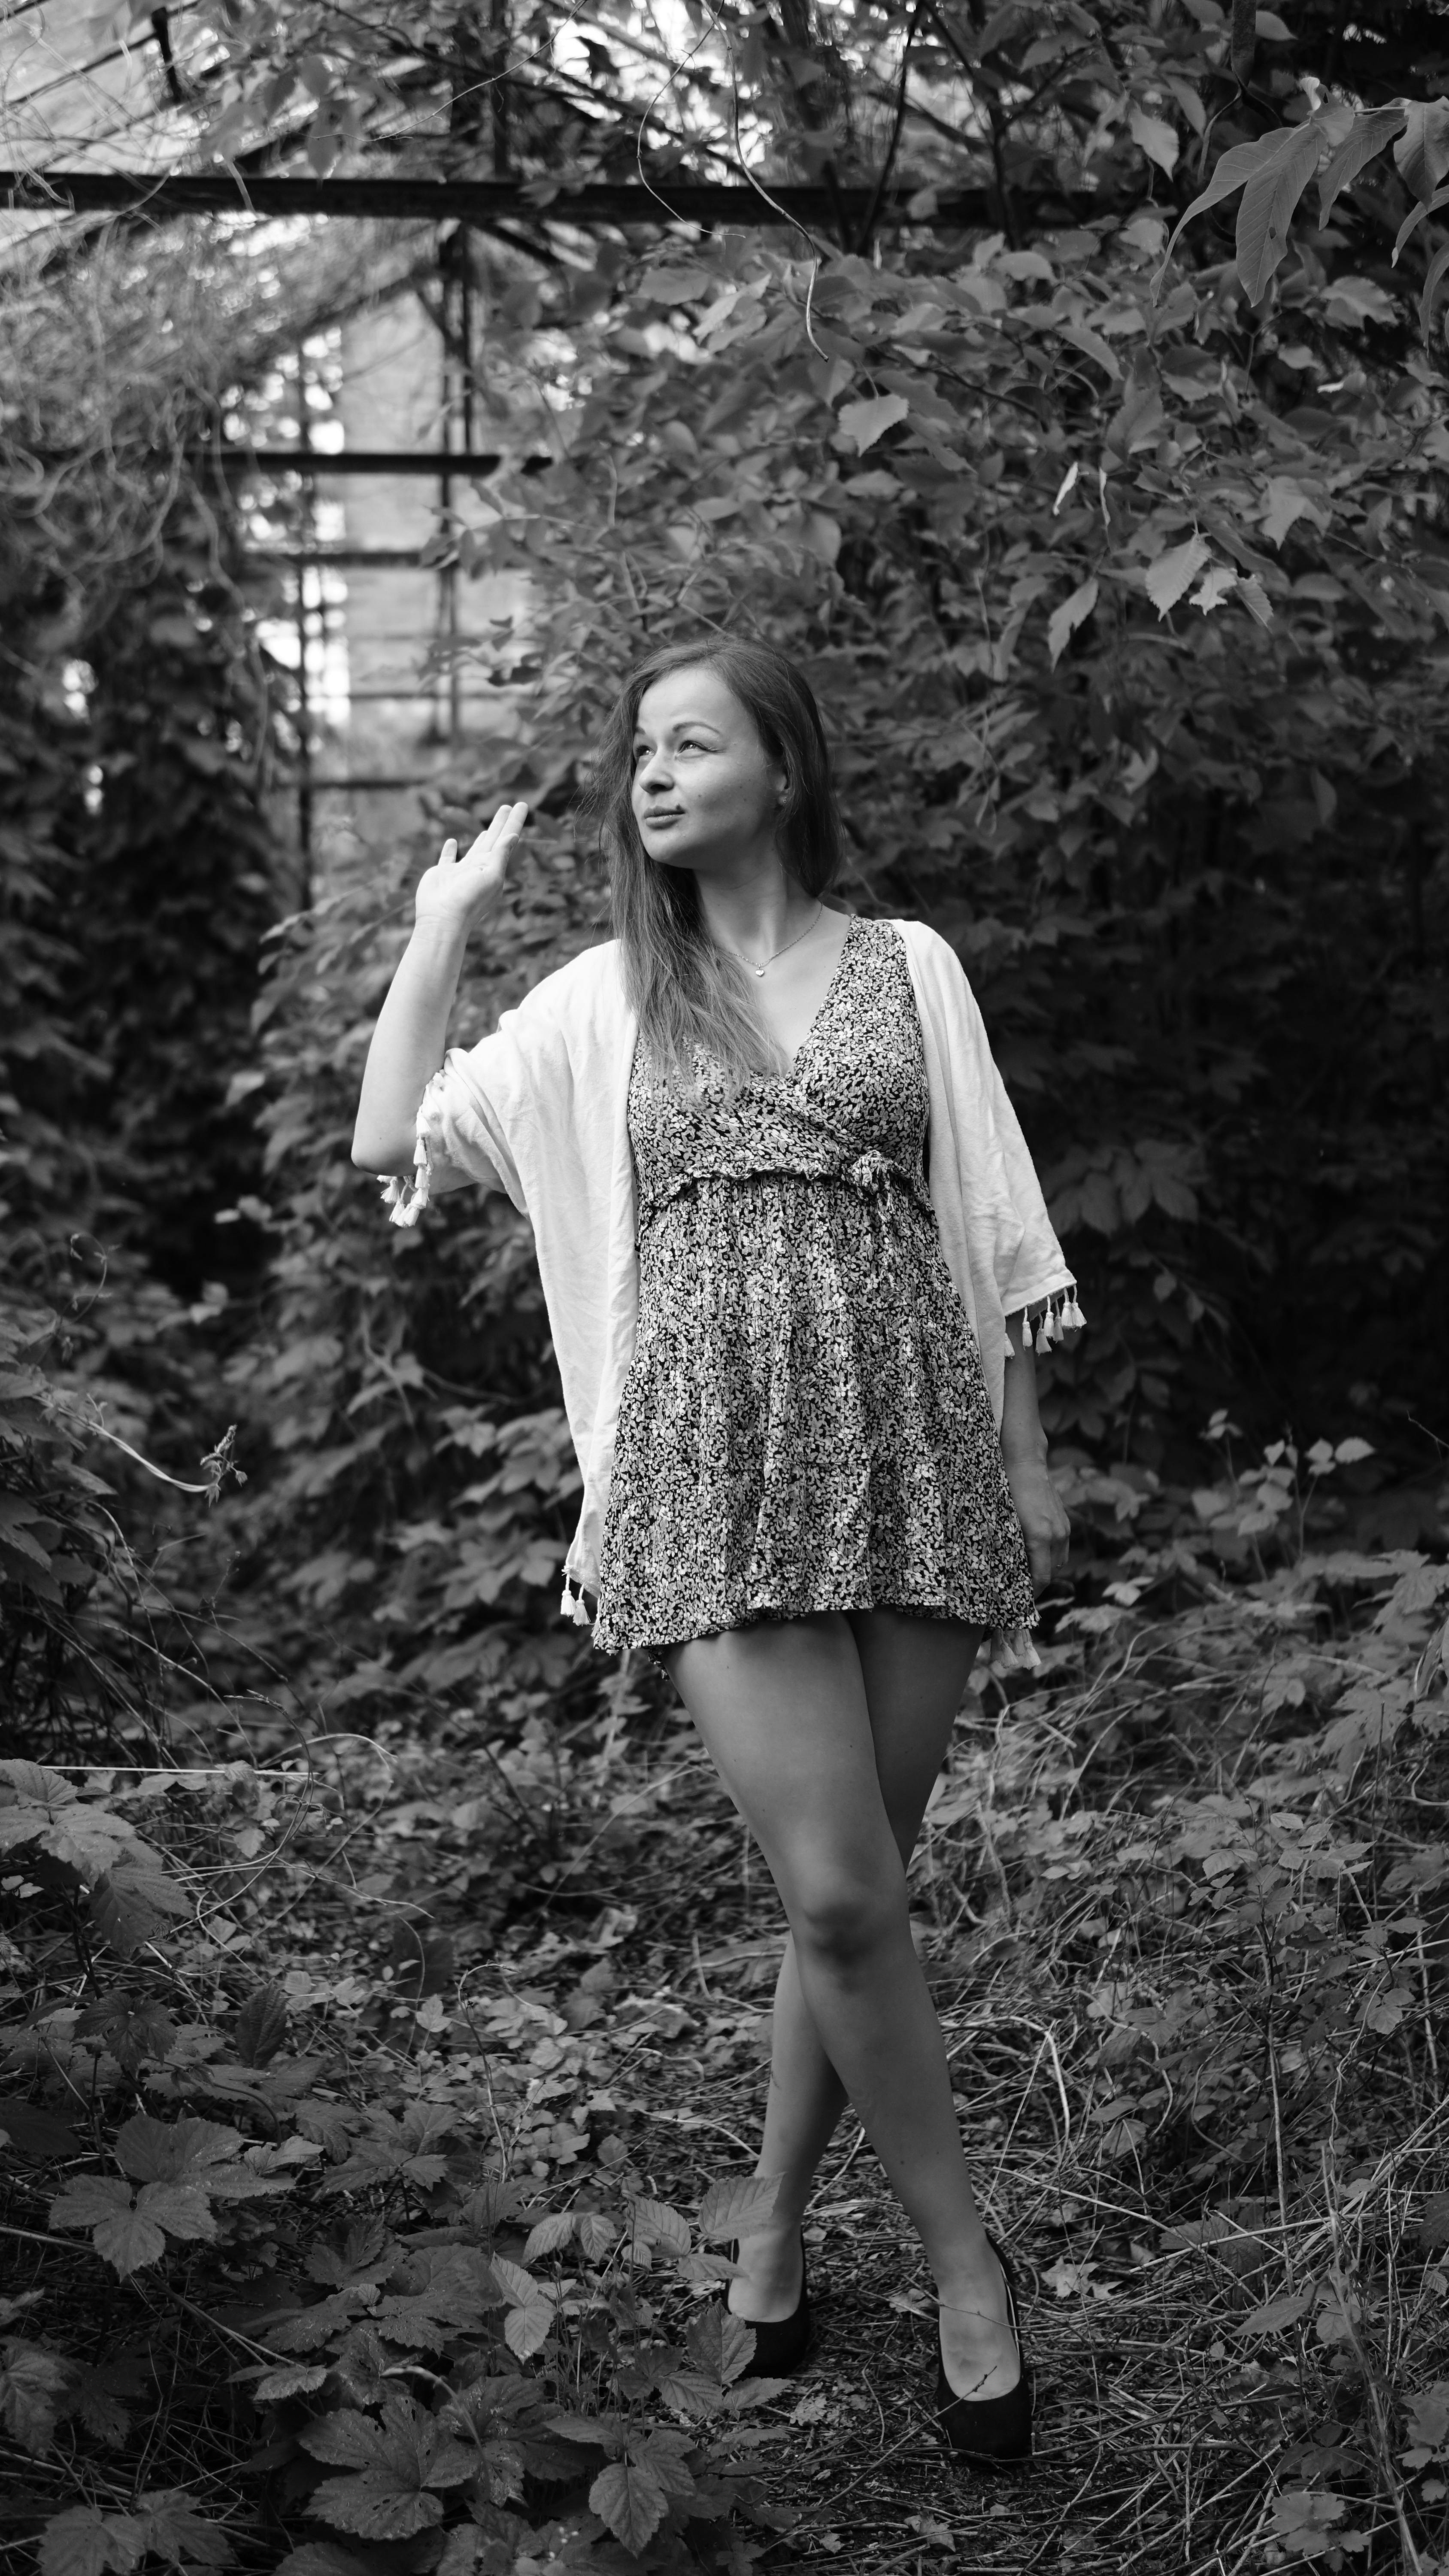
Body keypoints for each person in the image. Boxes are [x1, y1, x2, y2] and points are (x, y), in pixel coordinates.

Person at [352, 638, 1079, 2468]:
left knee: (860, 1898)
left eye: (691, 743)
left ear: (784, 767)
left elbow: (991, 1212)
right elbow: (386, 1135)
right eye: (640, 754)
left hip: (912, 1441)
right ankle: (965, 2267)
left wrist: (1025, 1456)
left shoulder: (909, 965)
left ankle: (768, 2243)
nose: (653, 775)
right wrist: (445, 922)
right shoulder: (611, 992)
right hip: (706, 1460)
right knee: (836, 1897)